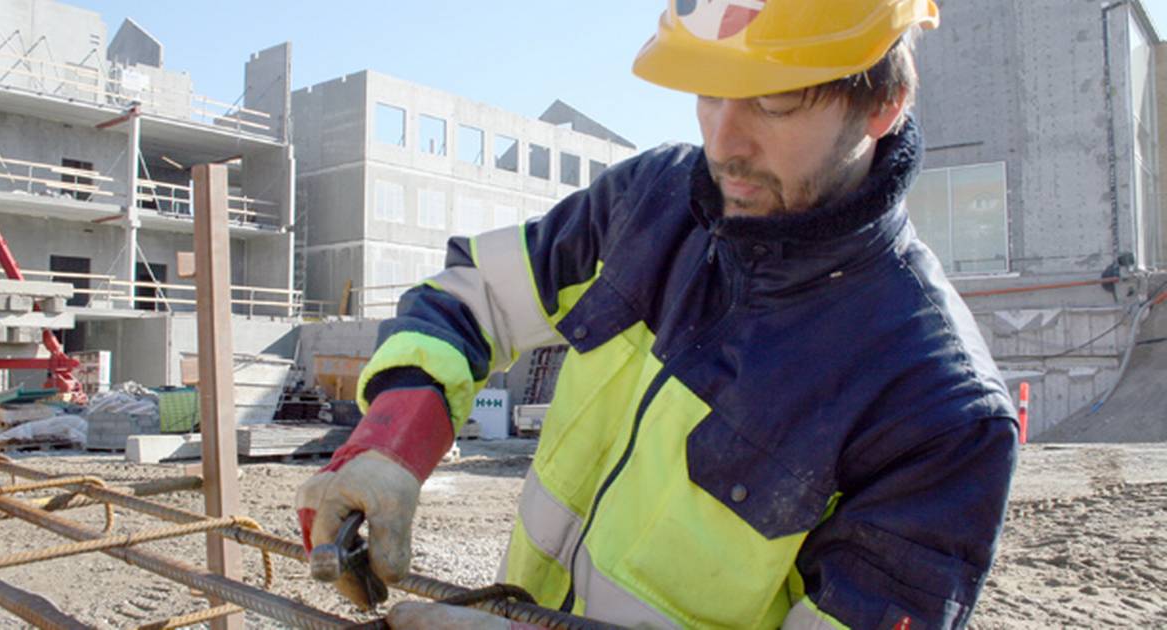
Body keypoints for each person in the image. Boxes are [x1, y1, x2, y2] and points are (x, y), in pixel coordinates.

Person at [296, 1, 1020, 628]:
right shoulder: (652, 203)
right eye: (709, 93)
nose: (724, 144)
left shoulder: (937, 409)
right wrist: (391, 448)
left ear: (882, 103)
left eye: (772, 101)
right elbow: (471, 294)